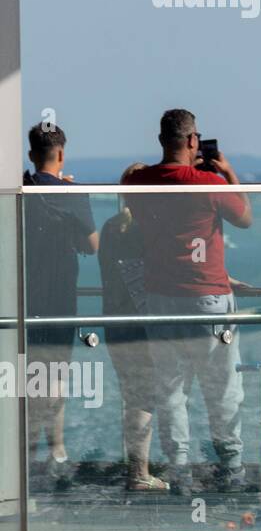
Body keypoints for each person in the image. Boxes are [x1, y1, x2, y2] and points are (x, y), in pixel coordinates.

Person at [124, 109, 253, 496]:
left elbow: (131, 185)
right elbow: (245, 218)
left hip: (161, 297)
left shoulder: (138, 181)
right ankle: (231, 465)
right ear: (194, 141)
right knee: (223, 387)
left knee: (169, 389)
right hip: (209, 298)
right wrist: (227, 172)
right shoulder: (210, 183)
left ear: (161, 139)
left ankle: (179, 468)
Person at [22, 123, 98, 487]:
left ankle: (28, 455)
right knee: (56, 378)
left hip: (22, 296)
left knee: (26, 379)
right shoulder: (73, 194)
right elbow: (93, 245)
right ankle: (57, 452)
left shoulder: (21, 188)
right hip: (60, 298)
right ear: (62, 154)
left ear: (31, 154)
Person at [98, 163, 167, 491]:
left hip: (114, 321)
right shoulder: (149, 228)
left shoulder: (112, 227)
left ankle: (136, 468)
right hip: (144, 323)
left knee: (133, 396)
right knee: (144, 398)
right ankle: (139, 472)